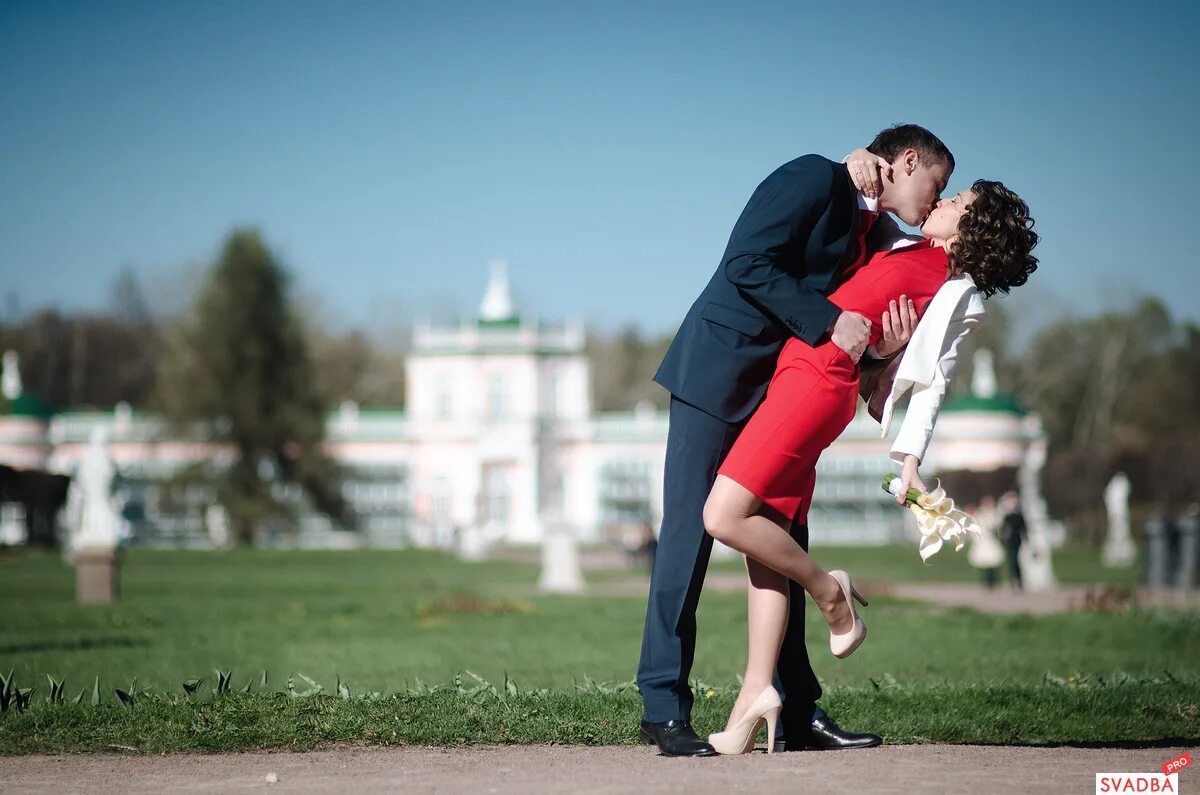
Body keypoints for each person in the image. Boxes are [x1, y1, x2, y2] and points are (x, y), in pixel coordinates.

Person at [637, 124, 952, 757]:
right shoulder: (815, 175)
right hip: (718, 374)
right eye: (936, 185)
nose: (935, 199)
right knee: (688, 540)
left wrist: (881, 352)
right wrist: (833, 321)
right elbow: (745, 262)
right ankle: (663, 708)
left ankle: (798, 709)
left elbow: (859, 320)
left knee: (784, 546)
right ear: (908, 161)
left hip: (783, 392)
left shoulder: (879, 234)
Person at [702, 178, 1038, 755]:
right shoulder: (904, 244)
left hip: (819, 383)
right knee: (766, 545)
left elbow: (933, 385)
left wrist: (909, 460)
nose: (943, 201)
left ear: (970, 231)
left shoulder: (956, 294)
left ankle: (831, 593)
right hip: (795, 371)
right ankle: (755, 697)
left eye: (956, 203)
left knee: (722, 516)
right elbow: (866, 207)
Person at [967, 496, 1005, 589]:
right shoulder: (979, 514)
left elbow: (998, 525)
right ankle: (987, 583)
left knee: (993, 563)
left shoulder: (994, 514)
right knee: (983, 563)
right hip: (982, 542)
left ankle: (994, 583)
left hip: (991, 542)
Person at [999, 491, 1028, 589]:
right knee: (1011, 562)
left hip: (1016, 542)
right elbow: (1002, 530)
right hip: (1008, 542)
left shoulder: (1018, 517)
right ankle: (1013, 580)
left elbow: (1023, 530)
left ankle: (1018, 581)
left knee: (1015, 561)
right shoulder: (1007, 517)